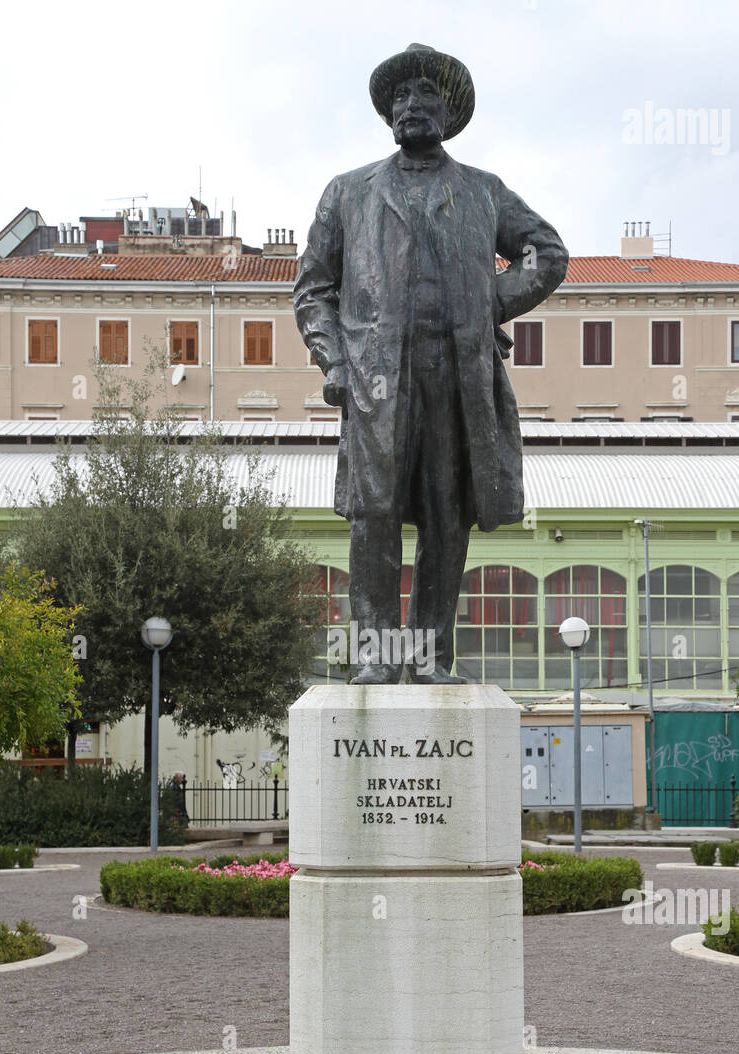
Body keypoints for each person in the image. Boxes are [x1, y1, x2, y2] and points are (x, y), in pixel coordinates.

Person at [294, 43, 568, 683]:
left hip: (456, 376)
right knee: (375, 515)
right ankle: (376, 657)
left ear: (449, 113)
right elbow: (313, 288)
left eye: (426, 96)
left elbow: (546, 254)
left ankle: (430, 658)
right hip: (375, 380)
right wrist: (334, 360)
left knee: (448, 517)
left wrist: (487, 304)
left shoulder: (483, 192)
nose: (412, 105)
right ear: (389, 114)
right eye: (401, 97)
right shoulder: (349, 192)